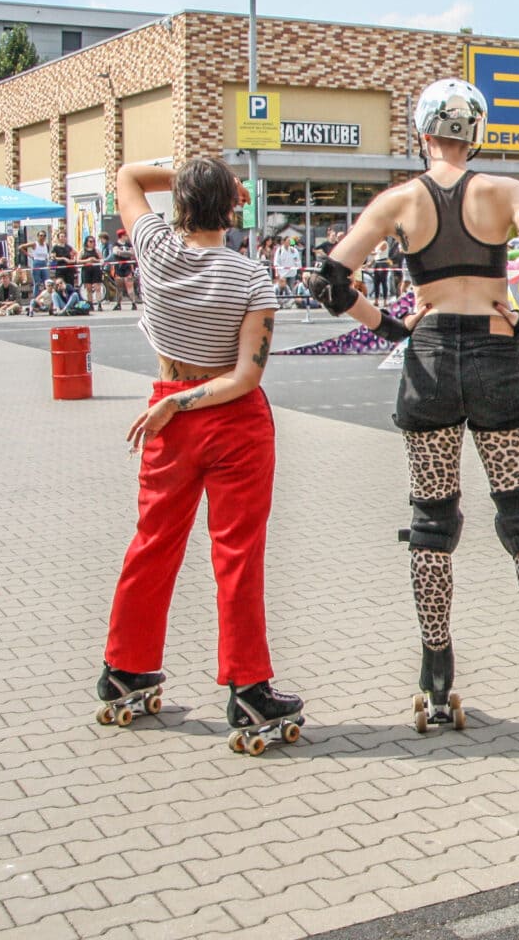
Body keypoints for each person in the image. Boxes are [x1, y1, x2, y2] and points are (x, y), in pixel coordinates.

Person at [315, 78, 519, 731]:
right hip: (496, 360)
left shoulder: (398, 200)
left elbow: (329, 281)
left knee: (432, 523)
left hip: (431, 359)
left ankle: (437, 679)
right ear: (477, 133)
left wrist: (388, 327)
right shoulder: (505, 192)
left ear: (422, 131)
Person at [97, 156, 302, 749]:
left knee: (153, 543)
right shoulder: (250, 277)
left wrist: (187, 178)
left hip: (167, 409)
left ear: (179, 205)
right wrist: (185, 406)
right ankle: (247, 687)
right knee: (236, 555)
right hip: (232, 421)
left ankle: (124, 668)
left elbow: (128, 178)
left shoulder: (156, 249)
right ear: (234, 207)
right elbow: (245, 377)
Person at [107, 231, 137, 310]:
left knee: (130, 286)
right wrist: (127, 253)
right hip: (118, 267)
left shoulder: (128, 244)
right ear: (122, 236)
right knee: (119, 287)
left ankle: (133, 303)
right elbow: (116, 252)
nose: (127, 237)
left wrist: (123, 253)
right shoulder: (115, 244)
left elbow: (133, 253)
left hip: (127, 267)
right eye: (125, 235)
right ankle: (118, 304)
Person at [80, 236, 104, 309]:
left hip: (96, 270)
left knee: (97, 288)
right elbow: (78, 260)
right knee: (88, 288)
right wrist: (87, 260)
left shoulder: (97, 251)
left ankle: (99, 304)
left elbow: (101, 260)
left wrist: (95, 260)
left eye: (93, 241)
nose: (92, 243)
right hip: (86, 270)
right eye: (90, 241)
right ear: (86, 242)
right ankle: (90, 304)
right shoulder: (82, 251)